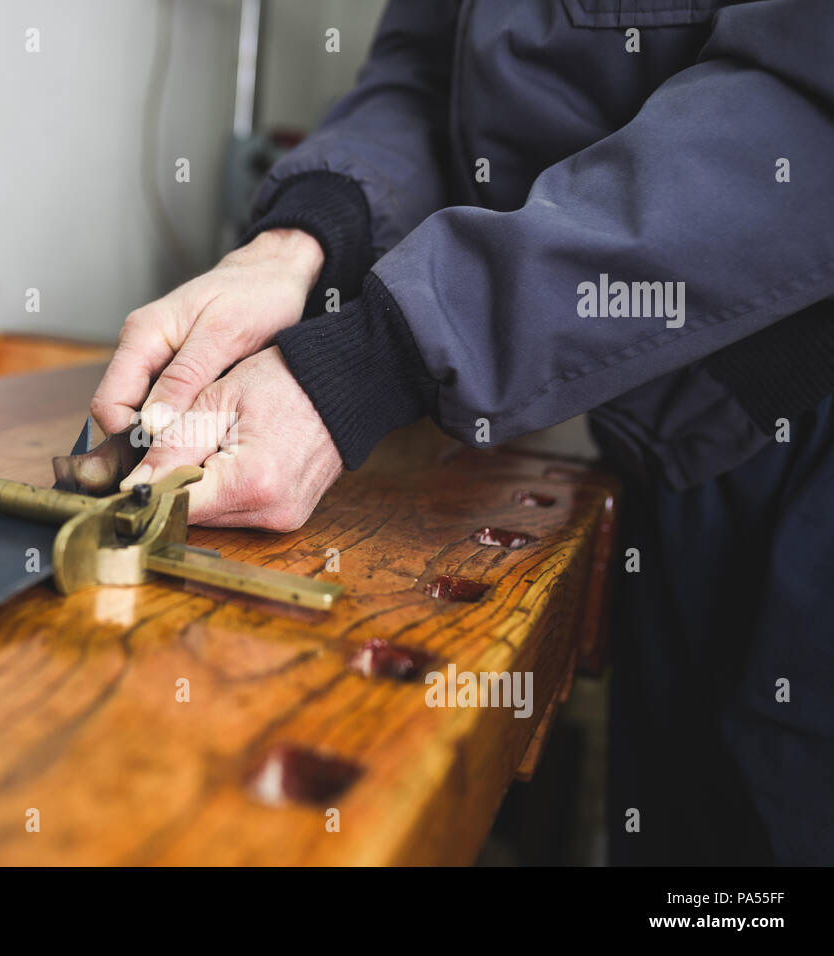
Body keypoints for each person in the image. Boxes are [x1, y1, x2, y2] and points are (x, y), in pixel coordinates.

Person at [89, 0, 834, 865]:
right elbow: (422, 72)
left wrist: (376, 355)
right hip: (677, 436)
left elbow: (801, 113)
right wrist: (304, 238)